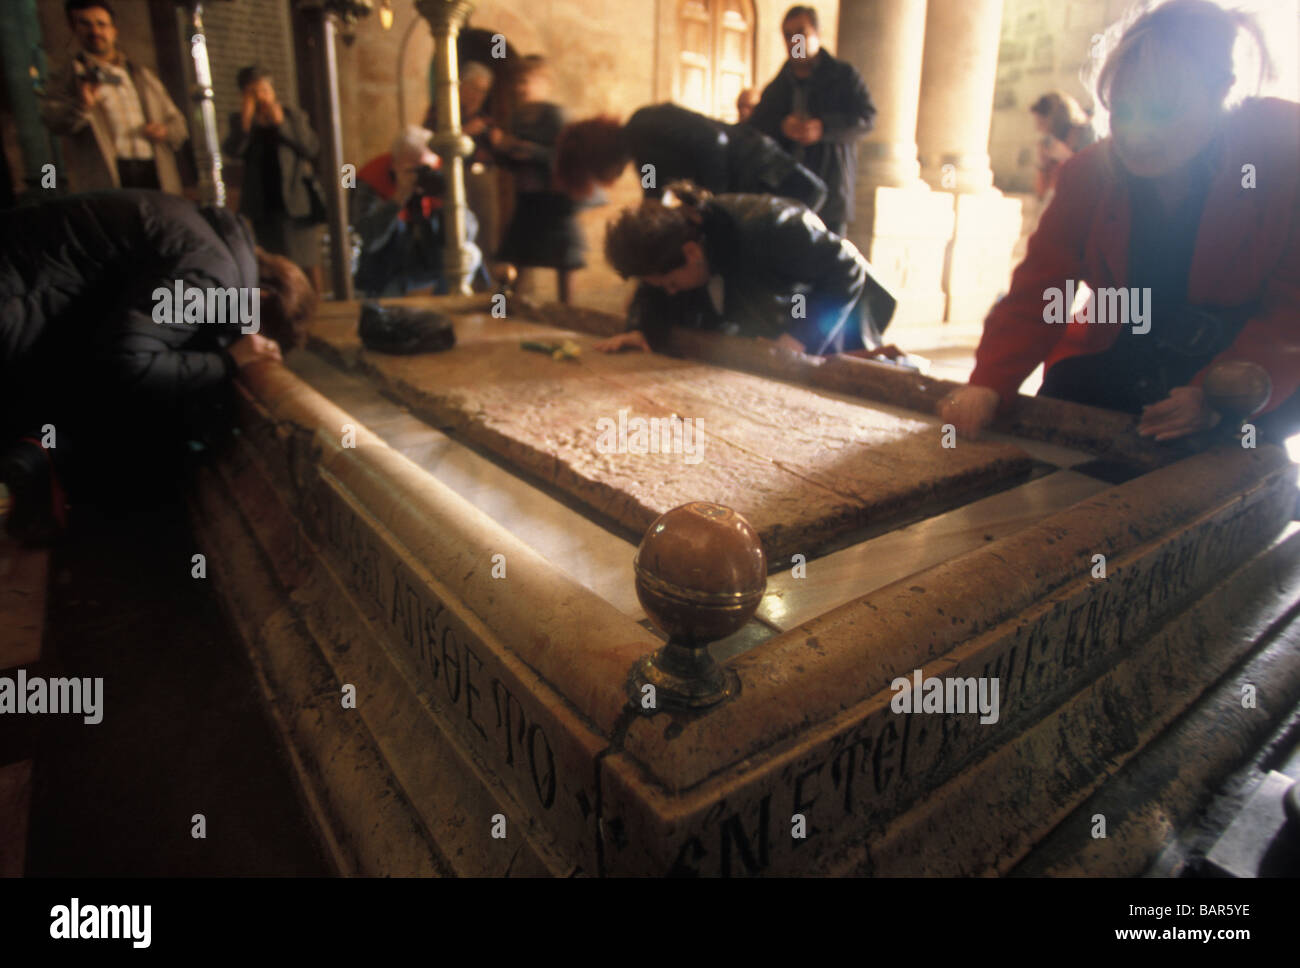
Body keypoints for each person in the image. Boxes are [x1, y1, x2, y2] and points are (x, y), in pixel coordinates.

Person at [939, 0, 1300, 445]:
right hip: (1130, 343)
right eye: (1122, 113)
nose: (1136, 135)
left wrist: (1212, 397)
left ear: (1219, 92)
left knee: (1229, 445)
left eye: (1162, 112)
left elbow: (1292, 312)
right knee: (1065, 408)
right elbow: (1043, 290)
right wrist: (988, 383)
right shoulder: (1092, 172)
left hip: (1254, 359)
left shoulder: (1283, 155)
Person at [0, 189, 316, 542]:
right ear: (262, 298)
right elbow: (129, 359)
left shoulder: (206, 242)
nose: (240, 336)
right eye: (257, 331)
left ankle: (39, 457)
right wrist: (229, 360)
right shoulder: (214, 280)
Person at [595, 181, 894, 357]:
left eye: (672, 283)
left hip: (840, 326)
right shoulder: (675, 240)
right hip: (775, 333)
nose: (670, 292)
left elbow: (845, 270)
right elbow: (654, 291)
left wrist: (798, 337)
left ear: (691, 252)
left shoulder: (771, 229)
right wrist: (639, 328)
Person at [746, 5, 876, 236]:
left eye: (800, 34)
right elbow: (755, 130)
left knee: (828, 266)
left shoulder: (844, 77)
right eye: (787, 35)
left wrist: (823, 128)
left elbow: (866, 118)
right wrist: (781, 126)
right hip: (787, 196)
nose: (794, 42)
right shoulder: (777, 87)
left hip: (831, 195)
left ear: (816, 34)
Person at [554, 103, 827, 213]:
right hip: (751, 181)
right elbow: (653, 196)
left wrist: (712, 207)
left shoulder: (644, 124)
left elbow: (713, 143)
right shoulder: (643, 158)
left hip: (763, 170)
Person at [38, 0, 189, 194]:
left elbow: (179, 124)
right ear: (74, 29)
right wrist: (81, 106)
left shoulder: (142, 76)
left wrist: (164, 131)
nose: (95, 31)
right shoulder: (67, 76)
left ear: (114, 29)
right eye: (85, 24)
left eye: (101, 24)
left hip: (154, 173)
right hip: (107, 179)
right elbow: (52, 120)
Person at [223, 66, 326, 291]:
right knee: (275, 264)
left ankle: (317, 308)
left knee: (307, 261)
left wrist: (282, 126)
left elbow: (311, 147)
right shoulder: (241, 123)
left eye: (263, 90)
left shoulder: (293, 116)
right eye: (253, 92)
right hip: (264, 204)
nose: (260, 96)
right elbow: (233, 151)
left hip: (296, 202)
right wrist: (245, 124)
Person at [492, 55, 584, 304]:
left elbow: (568, 158)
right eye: (516, 82)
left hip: (556, 203)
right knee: (514, 256)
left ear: (544, 82)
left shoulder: (557, 116)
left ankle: (568, 321)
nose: (519, 88)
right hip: (529, 202)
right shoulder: (517, 118)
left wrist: (524, 148)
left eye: (525, 81)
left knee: (565, 263)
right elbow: (513, 164)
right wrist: (501, 150)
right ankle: (503, 313)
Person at [351, 125, 482, 297]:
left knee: (470, 252)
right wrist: (397, 199)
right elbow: (367, 241)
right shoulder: (372, 180)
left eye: (426, 169)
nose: (421, 177)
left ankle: (451, 305)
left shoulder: (444, 174)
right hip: (386, 270)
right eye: (413, 170)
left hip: (432, 259)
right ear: (395, 164)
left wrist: (448, 199)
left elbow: (469, 234)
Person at [1030, 91, 1096, 199]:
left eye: (1042, 123)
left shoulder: (1085, 136)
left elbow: (1093, 182)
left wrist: (1069, 157)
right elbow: (1041, 194)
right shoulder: (1050, 144)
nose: (1039, 129)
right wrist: (1042, 165)